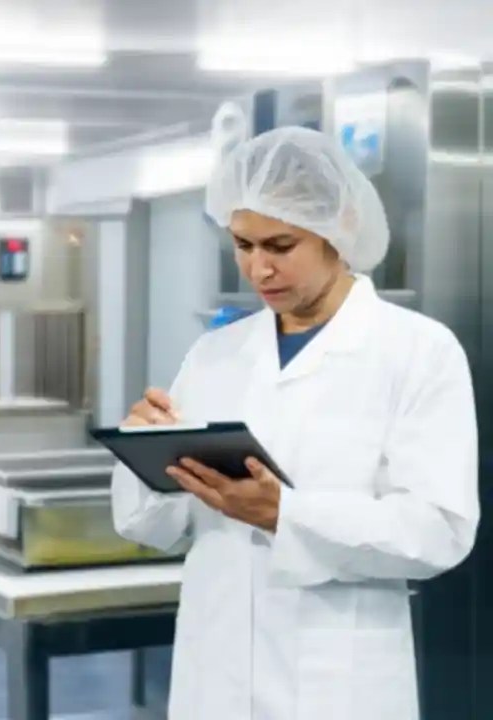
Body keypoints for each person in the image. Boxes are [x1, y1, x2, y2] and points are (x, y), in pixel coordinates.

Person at [112, 126, 479, 720]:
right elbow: (151, 524)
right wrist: (145, 453)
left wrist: (286, 513)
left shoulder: (417, 352)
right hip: (217, 672)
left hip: (338, 681)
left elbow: (439, 531)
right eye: (243, 244)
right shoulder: (217, 353)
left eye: (281, 246)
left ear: (341, 230)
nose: (258, 269)